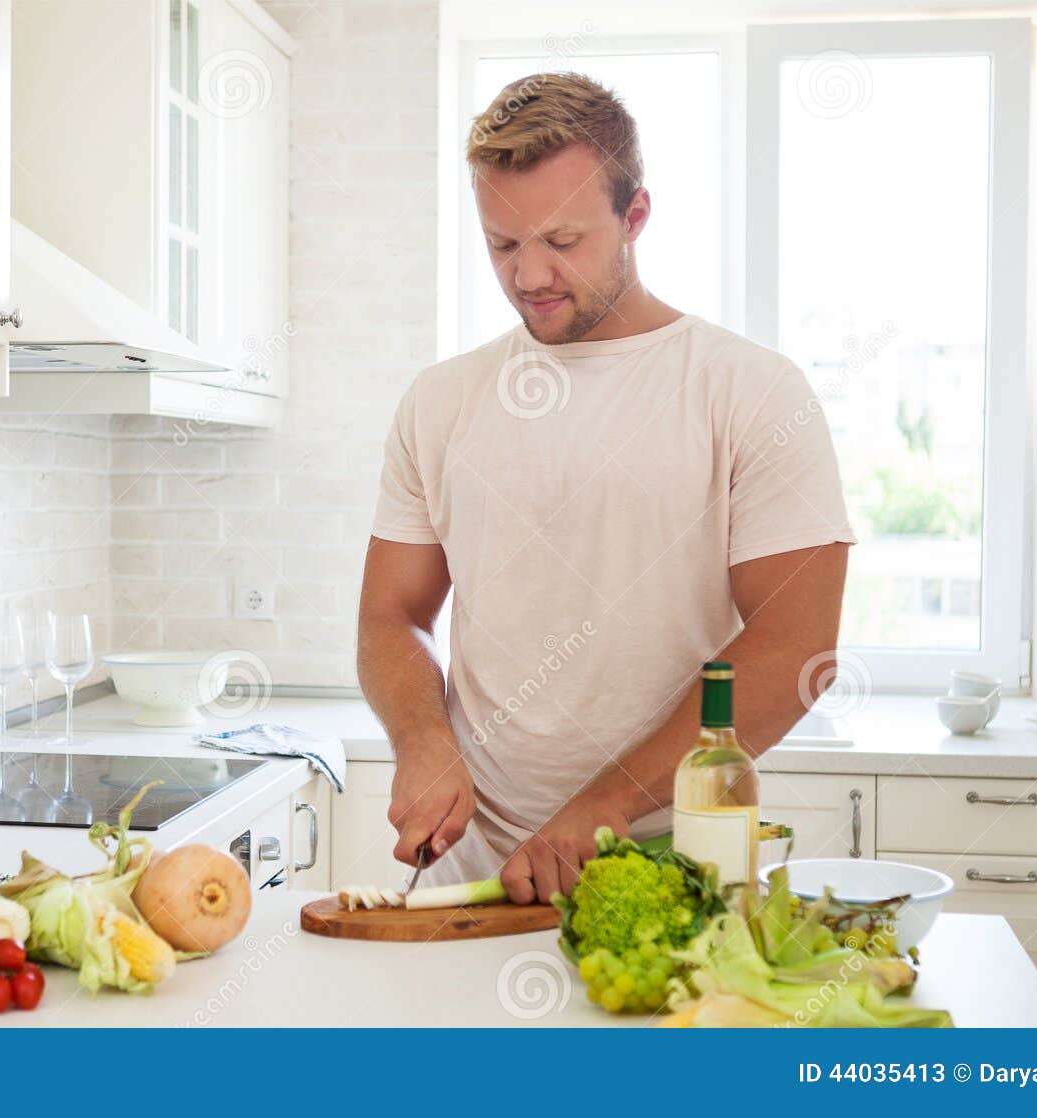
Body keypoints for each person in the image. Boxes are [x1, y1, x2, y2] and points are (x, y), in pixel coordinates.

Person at [357, 72, 855, 905]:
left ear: (635, 217)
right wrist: (421, 738)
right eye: (503, 245)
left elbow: (799, 646)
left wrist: (604, 808)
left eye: (563, 240)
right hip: (470, 876)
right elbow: (390, 614)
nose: (529, 276)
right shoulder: (441, 401)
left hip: (673, 864)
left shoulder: (749, 392)